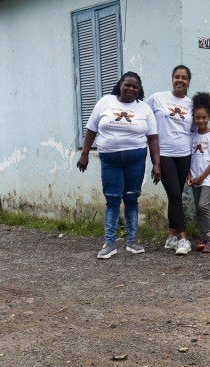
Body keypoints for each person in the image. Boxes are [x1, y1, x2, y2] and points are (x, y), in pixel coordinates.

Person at [77, 71, 160, 259]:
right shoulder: (105, 102)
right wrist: (84, 154)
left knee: (131, 198)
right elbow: (91, 129)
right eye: (127, 85)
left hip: (136, 160)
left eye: (135, 87)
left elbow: (153, 139)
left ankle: (132, 241)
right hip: (110, 161)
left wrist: (157, 164)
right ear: (120, 85)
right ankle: (109, 243)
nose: (131, 89)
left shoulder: (145, 109)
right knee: (112, 200)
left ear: (139, 90)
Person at [145, 65, 195, 255]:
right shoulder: (157, 98)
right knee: (174, 193)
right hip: (163, 153)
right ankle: (183, 239)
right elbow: (145, 119)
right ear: (172, 78)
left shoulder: (191, 104)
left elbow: (194, 131)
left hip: (184, 154)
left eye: (184, 77)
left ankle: (170, 237)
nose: (180, 80)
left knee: (176, 194)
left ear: (189, 81)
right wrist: (155, 162)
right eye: (177, 76)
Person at [188, 92, 210, 253]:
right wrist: (190, 176)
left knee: (203, 206)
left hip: (207, 179)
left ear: (208, 117)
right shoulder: (192, 136)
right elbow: (188, 157)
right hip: (194, 179)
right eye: (197, 118)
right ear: (194, 118)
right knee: (198, 208)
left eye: (204, 117)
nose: (200, 120)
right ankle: (202, 238)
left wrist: (202, 177)